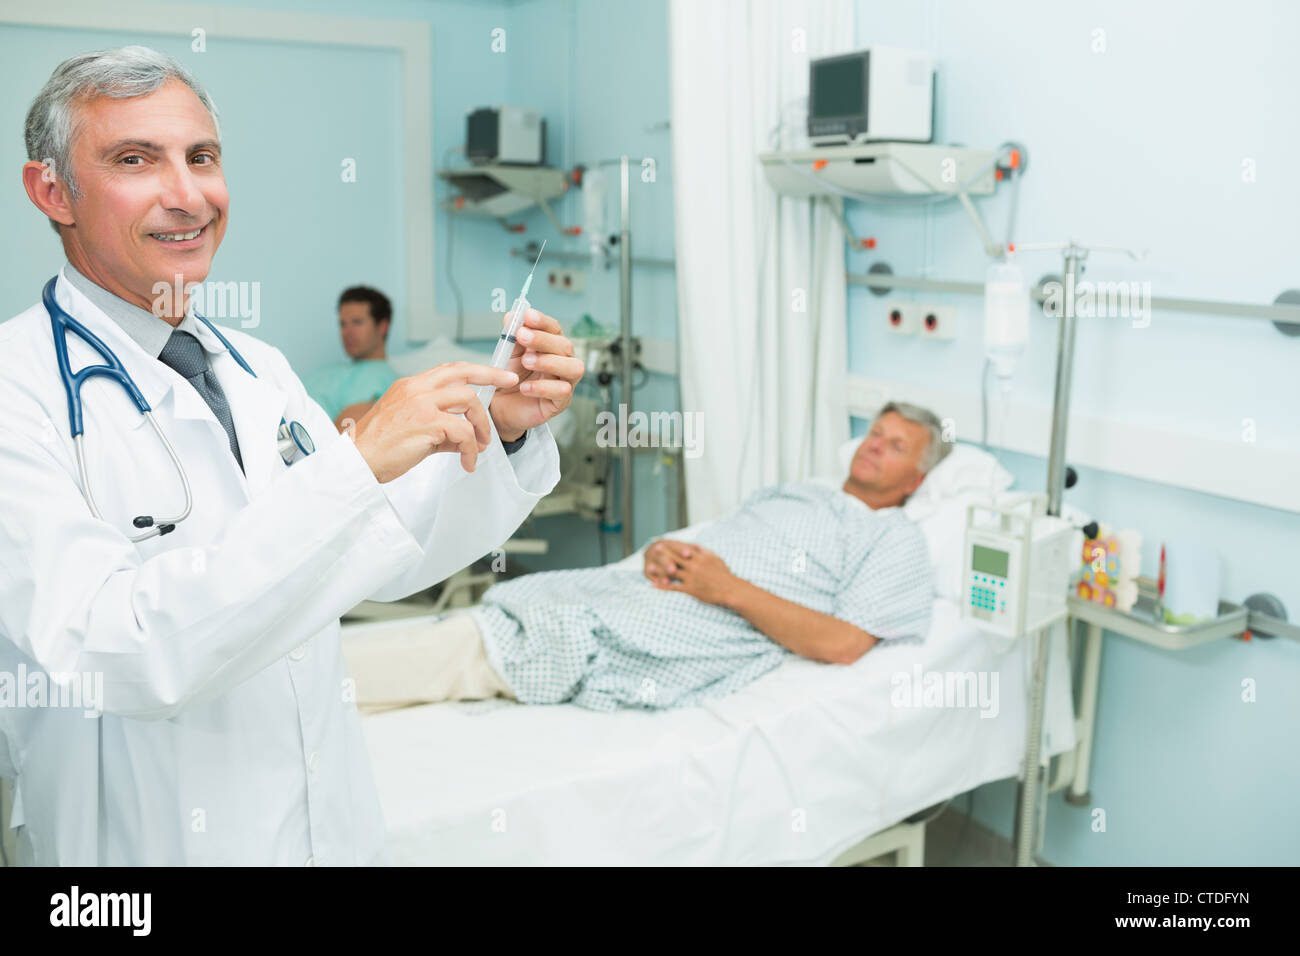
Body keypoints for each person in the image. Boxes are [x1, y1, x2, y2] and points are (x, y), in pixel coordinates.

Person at [0, 46, 584, 865]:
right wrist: (355, 466)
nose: (187, 194)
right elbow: (116, 652)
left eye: (202, 157)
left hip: (323, 821)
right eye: (135, 160)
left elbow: (377, 551)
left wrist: (509, 428)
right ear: (51, 191)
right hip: (143, 844)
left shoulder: (256, 368)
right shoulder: (16, 390)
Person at [343, 402, 948, 713]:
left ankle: (319, 688)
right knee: (519, 616)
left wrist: (725, 588)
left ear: (917, 479)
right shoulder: (798, 491)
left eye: (895, 446)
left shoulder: (893, 537)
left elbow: (844, 644)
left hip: (711, 616)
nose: (873, 447)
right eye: (874, 433)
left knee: (487, 644)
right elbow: (721, 537)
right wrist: (664, 552)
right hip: (660, 586)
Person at [302, 286, 400, 431]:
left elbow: (344, 442)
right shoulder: (327, 371)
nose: (347, 332)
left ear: (382, 327)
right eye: (343, 324)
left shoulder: (377, 375)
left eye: (357, 322)